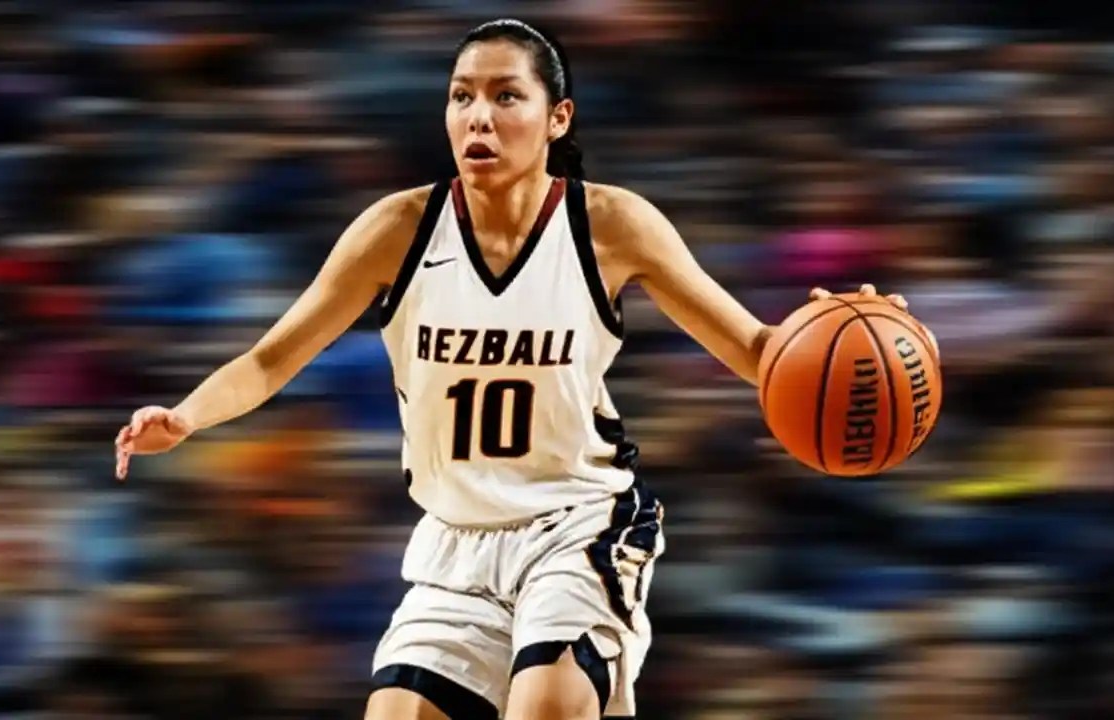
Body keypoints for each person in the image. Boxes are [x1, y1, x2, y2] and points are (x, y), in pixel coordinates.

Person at [113, 18, 906, 720]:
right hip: (454, 538)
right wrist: (186, 417)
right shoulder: (394, 229)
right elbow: (270, 358)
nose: (478, 117)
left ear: (558, 118)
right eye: (461, 97)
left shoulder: (613, 224)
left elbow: (760, 351)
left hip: (578, 523)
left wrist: (833, 333)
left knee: (547, 706)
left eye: (505, 96)